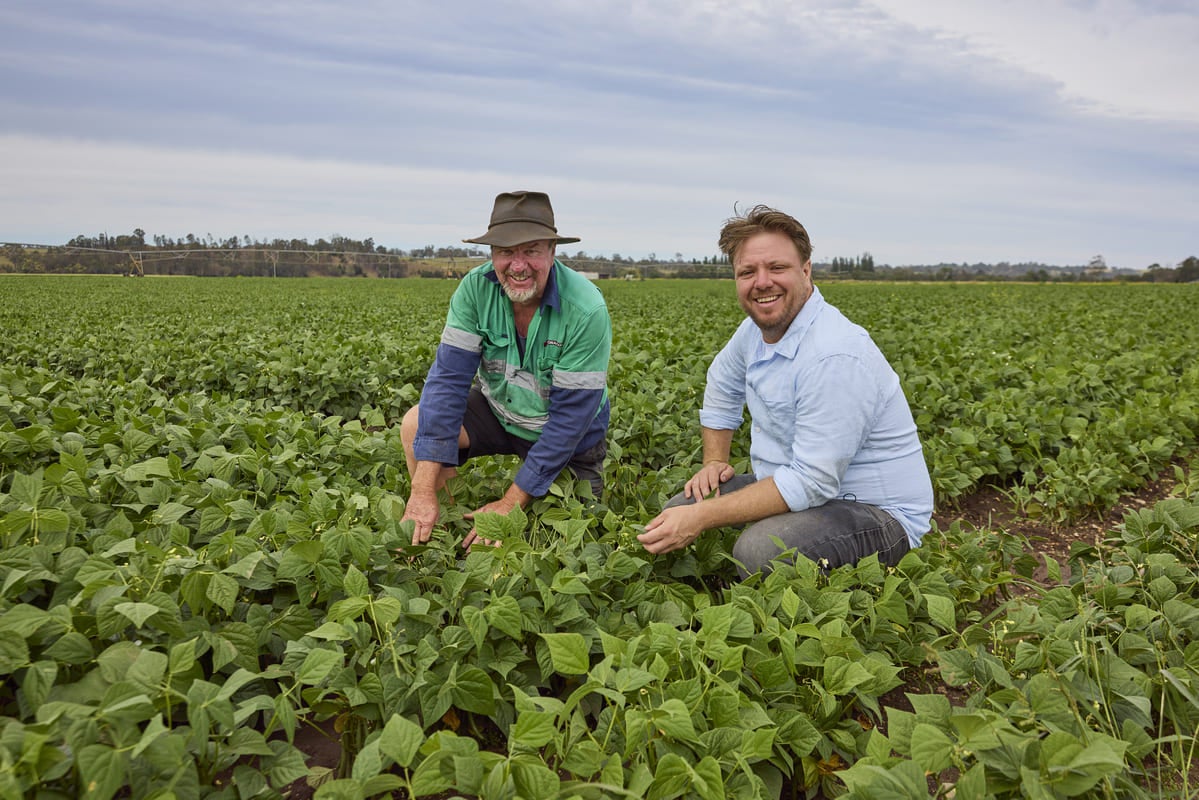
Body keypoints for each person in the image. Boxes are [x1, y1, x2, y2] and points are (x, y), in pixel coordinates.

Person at [638, 205, 933, 577]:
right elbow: (722, 383)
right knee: (681, 506)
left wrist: (703, 517)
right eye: (747, 272)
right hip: (804, 491)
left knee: (760, 549)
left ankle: (844, 599)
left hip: (877, 514)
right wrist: (714, 462)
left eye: (777, 268)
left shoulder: (834, 355)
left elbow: (812, 481)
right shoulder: (754, 334)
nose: (762, 282)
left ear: (806, 271)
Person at [401, 191, 611, 551]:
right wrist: (421, 490)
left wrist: (510, 503)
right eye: (506, 252)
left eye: (531, 250)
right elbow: (448, 382)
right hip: (501, 414)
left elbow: (568, 424)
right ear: (492, 255)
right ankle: (447, 531)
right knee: (416, 423)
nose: (518, 265)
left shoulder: (586, 308)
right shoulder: (475, 290)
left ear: (552, 252)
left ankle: (503, 522)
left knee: (568, 539)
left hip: (567, 437)